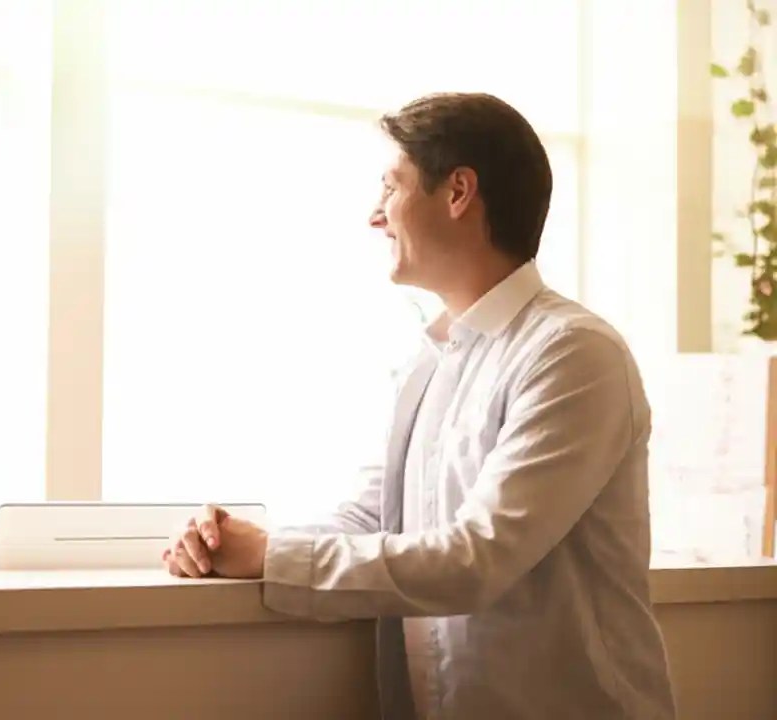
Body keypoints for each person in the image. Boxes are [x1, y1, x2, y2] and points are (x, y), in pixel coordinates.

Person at [161, 93, 676, 719]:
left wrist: (270, 556)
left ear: (458, 192)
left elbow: (474, 559)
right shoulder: (428, 362)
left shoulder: (573, 355)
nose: (375, 216)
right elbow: (372, 518)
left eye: (390, 187)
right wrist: (228, 545)